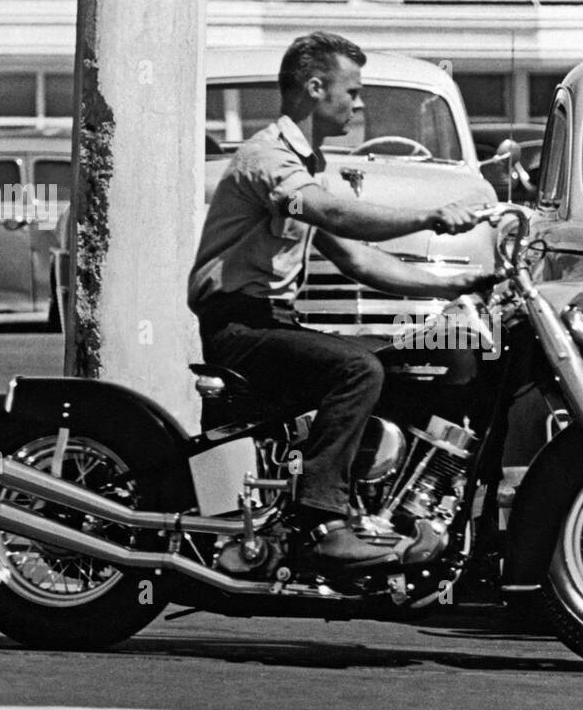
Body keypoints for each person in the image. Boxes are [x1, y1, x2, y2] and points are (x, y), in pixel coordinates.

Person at [189, 32, 495, 566]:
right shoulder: (267, 160)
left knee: (406, 359)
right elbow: (332, 215)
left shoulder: (309, 167)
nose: (359, 103)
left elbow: (360, 260)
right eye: (351, 90)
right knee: (357, 370)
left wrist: (455, 286)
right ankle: (321, 521)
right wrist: (429, 216)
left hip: (272, 323)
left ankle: (387, 507)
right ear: (314, 87)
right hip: (240, 328)